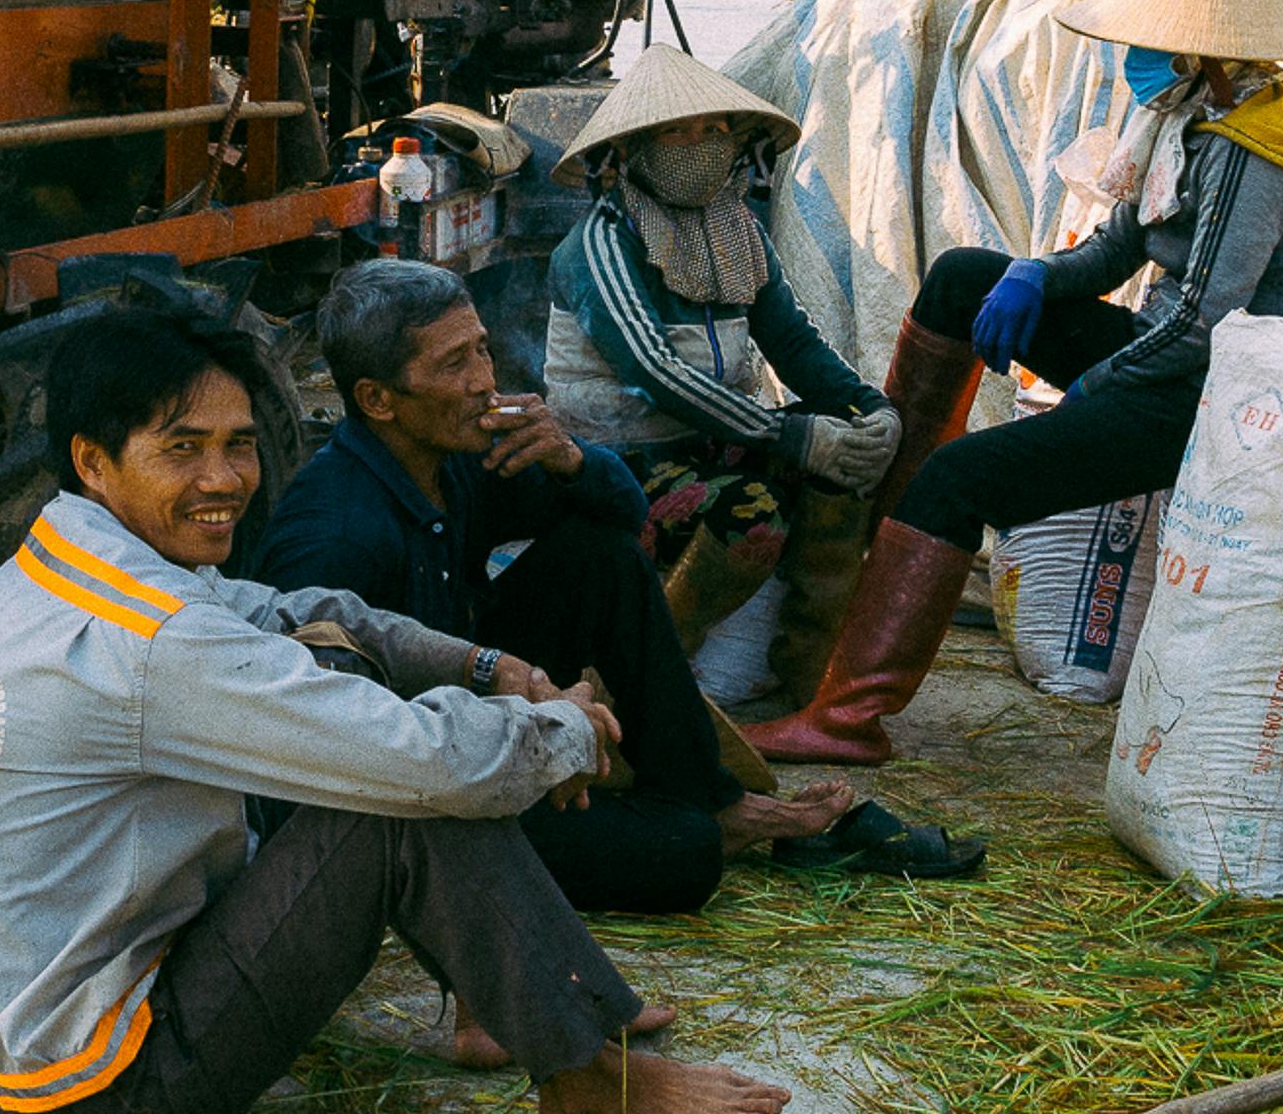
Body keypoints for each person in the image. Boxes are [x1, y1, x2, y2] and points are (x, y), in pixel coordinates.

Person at [0, 310, 791, 1114]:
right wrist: (558, 729)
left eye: (239, 443)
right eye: (182, 448)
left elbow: (304, 610)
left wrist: (491, 670)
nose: (224, 478)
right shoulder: (152, 642)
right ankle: (591, 1087)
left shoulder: (66, 557)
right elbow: (427, 762)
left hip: (51, 1024)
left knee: (363, 695)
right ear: (93, 461)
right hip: (114, 1088)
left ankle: (535, 1010)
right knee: (397, 797)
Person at [737, 0, 1283, 769]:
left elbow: (1205, 321)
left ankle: (847, 719)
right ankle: (869, 548)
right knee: (962, 278)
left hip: (1214, 396)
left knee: (962, 476)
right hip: (1165, 356)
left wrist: (1099, 380)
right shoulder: (1182, 121)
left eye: (1154, 43)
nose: (1138, 56)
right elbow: (1113, 254)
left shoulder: (1255, 150)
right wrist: (1032, 274)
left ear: (1202, 53)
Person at [256, 259, 867, 920]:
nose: (484, 381)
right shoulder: (334, 531)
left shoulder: (463, 453)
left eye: (482, 349)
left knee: (600, 558)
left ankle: (714, 795)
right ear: (378, 399)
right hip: (407, 781)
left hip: (474, 694)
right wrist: (524, 730)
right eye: (453, 364)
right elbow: (326, 737)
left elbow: (625, 522)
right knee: (686, 854)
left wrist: (571, 458)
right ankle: (692, 822)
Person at [540, 47, 896, 696]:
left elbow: (794, 343)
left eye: (714, 129)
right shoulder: (602, 241)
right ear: (636, 148)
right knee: (750, 511)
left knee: (843, 471)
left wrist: (869, 410)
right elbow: (654, 370)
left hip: (711, 441)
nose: (699, 144)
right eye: (677, 130)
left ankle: (806, 683)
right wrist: (793, 435)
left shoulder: (739, 233)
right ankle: (644, 685)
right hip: (610, 458)